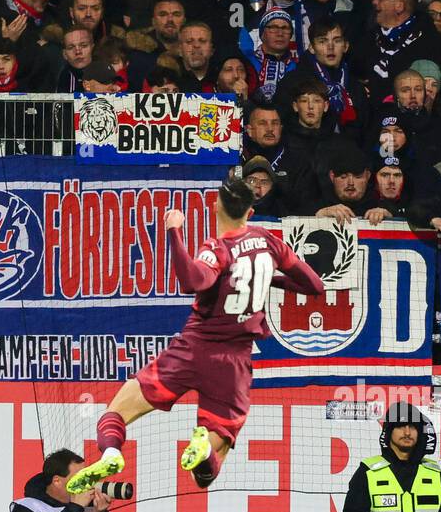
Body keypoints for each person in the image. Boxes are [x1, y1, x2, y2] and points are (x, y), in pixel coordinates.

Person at [67, 177, 326, 495]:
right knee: (204, 477)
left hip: (192, 350)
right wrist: (269, 279)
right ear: (251, 211)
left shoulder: (218, 248)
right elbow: (315, 285)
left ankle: (111, 453)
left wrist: (174, 231)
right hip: (234, 363)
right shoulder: (269, 242)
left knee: (116, 411)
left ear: (215, 205)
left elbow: (192, 280)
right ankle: (203, 450)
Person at [341, 402, 441, 512]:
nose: (407, 432)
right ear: (389, 430)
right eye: (401, 426)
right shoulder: (368, 473)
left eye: (413, 426)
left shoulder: (434, 473)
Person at [11, 449, 128, 512]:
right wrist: (75, 508)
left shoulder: (87, 507)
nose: (85, 484)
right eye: (78, 479)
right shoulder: (28, 507)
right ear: (57, 481)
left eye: (86, 477)